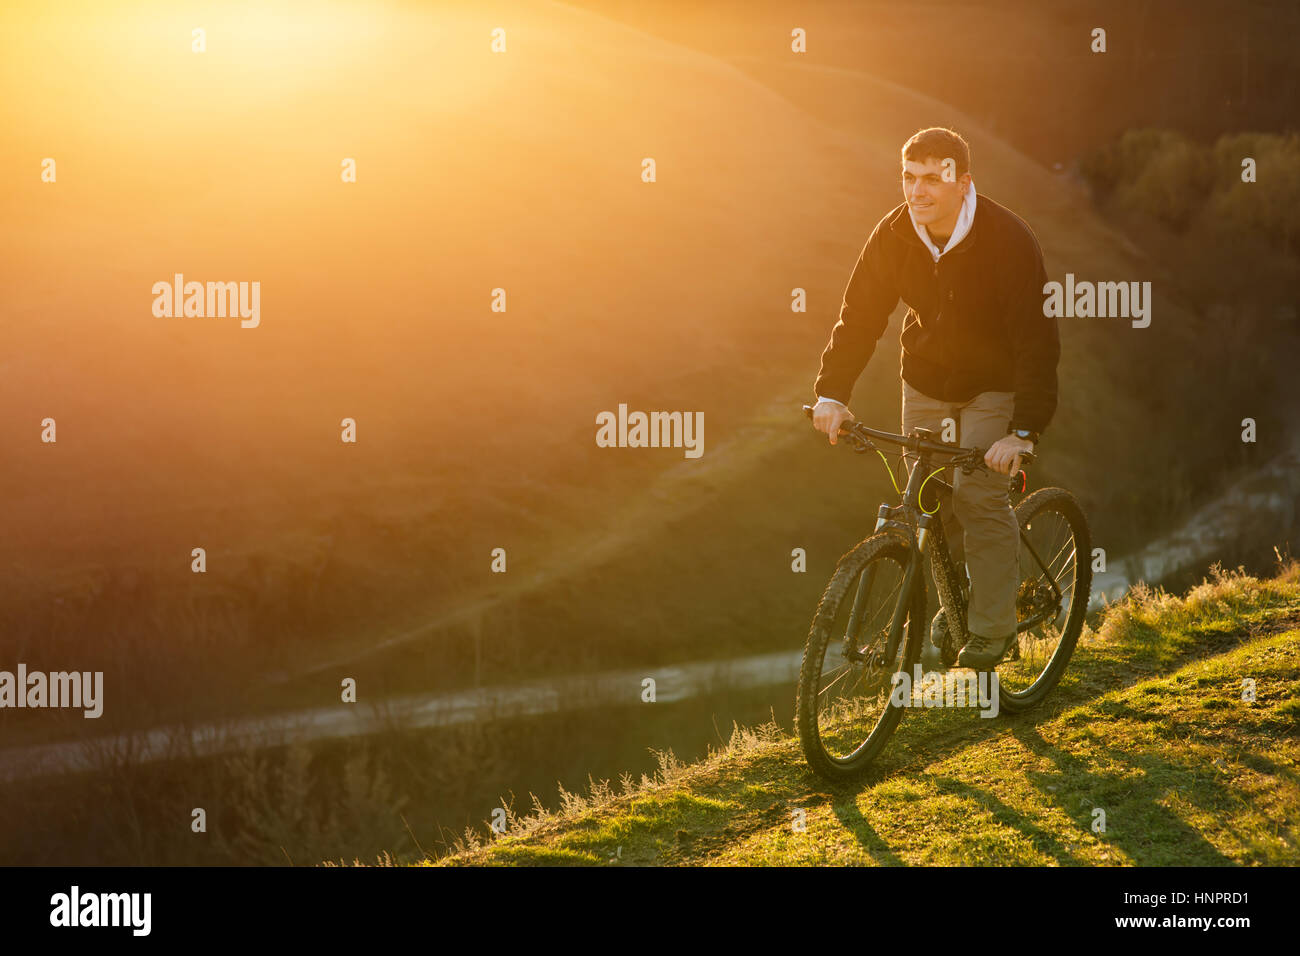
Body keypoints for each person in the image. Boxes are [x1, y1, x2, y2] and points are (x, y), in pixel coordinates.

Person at [811, 127, 1060, 669]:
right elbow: (858, 318)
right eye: (908, 177)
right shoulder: (895, 234)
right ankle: (960, 603)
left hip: (992, 386)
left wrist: (1024, 430)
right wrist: (832, 393)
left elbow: (1037, 340)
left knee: (977, 495)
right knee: (929, 500)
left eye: (931, 178)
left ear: (962, 182)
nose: (916, 191)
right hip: (924, 383)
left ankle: (994, 634)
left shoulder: (1007, 239)